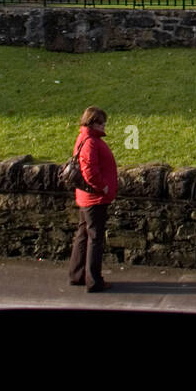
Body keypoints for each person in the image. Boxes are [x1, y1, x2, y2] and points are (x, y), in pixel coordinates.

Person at [67, 105, 118, 293]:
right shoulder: (90, 142)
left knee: (83, 235)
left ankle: (77, 274)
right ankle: (94, 280)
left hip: (86, 197)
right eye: (101, 123)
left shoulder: (85, 138)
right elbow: (90, 171)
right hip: (95, 198)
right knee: (95, 238)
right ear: (92, 122)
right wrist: (103, 187)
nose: (104, 126)